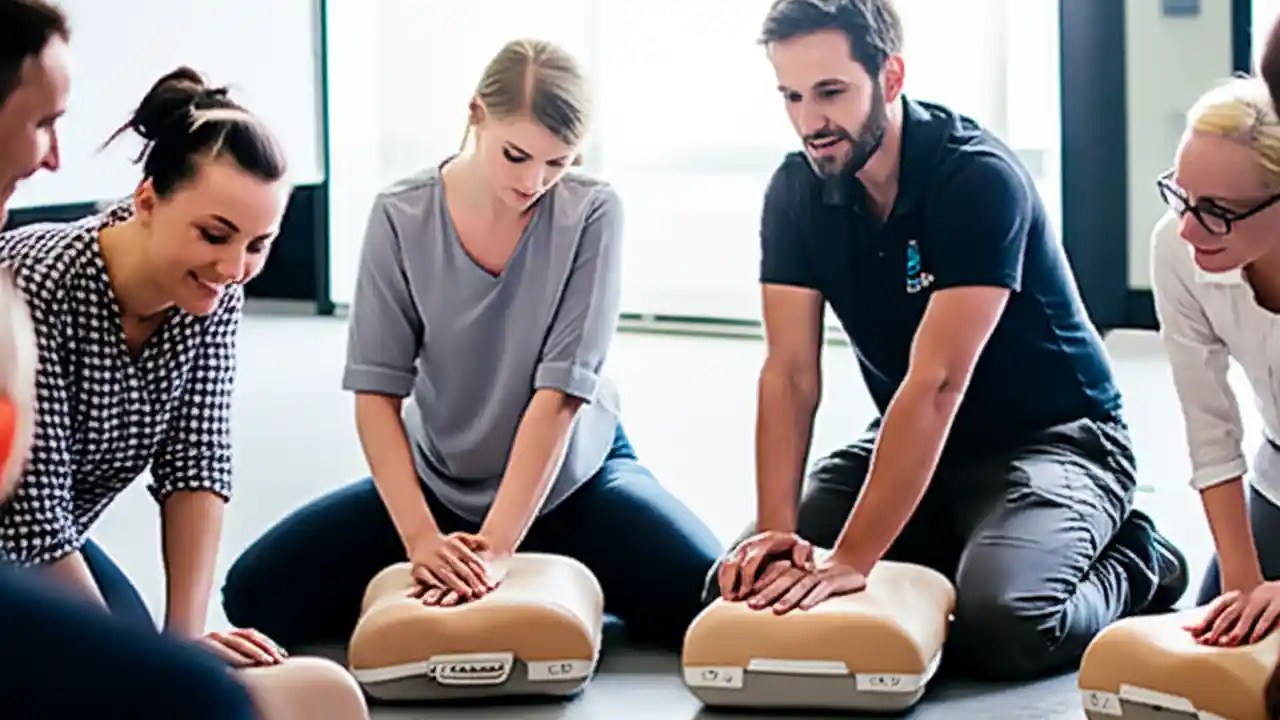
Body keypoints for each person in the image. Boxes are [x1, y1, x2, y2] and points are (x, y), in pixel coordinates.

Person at [706, 0, 1189, 681]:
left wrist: (848, 561)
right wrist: (777, 536)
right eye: (791, 96)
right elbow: (789, 375)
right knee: (738, 589)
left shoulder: (976, 179)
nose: (810, 122)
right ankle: (961, 544)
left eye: (831, 92)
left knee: (1006, 621)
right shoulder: (796, 191)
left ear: (891, 76)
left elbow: (937, 384)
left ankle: (1139, 553)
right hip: (919, 444)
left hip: (1055, 440)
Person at [221, 38, 723, 652]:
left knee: (709, 603)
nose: (534, 181)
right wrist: (421, 541)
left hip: (576, 480)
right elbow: (376, 395)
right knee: (255, 595)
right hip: (441, 480)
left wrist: (500, 550)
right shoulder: (400, 214)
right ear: (476, 114)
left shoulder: (593, 211)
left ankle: (563, 567)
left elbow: (561, 395)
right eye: (516, 155)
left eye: (557, 163)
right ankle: (562, 574)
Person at [0, 12, 368, 714]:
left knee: (160, 661)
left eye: (259, 245)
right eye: (215, 235)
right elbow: (32, 516)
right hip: (14, 537)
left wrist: (183, 632)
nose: (235, 268)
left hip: (53, 539)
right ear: (147, 202)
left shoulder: (212, 295)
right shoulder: (38, 281)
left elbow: (197, 461)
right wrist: (145, 672)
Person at [1151, 73, 1280, 648]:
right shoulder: (1177, 247)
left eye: (1218, 211)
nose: (1187, 227)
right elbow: (1210, 426)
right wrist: (1243, 581)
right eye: (1182, 196)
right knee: (1222, 637)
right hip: (1275, 473)